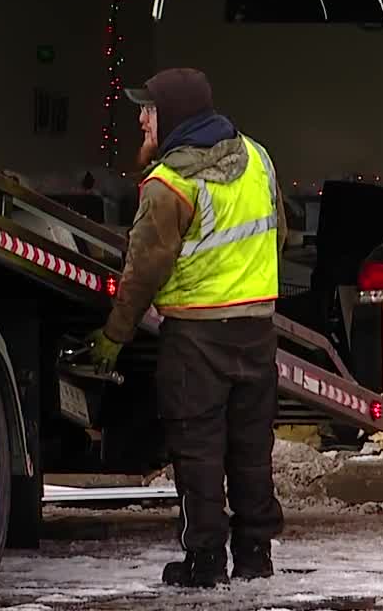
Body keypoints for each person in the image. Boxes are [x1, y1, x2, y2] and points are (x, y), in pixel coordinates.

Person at [85, 67, 288, 588]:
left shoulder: (168, 184)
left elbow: (142, 272)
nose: (141, 120)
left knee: (197, 451)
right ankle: (254, 555)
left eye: (148, 111)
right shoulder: (257, 159)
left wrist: (114, 335)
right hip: (257, 332)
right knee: (250, 449)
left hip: (196, 339)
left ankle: (204, 562)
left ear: (172, 115)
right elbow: (278, 235)